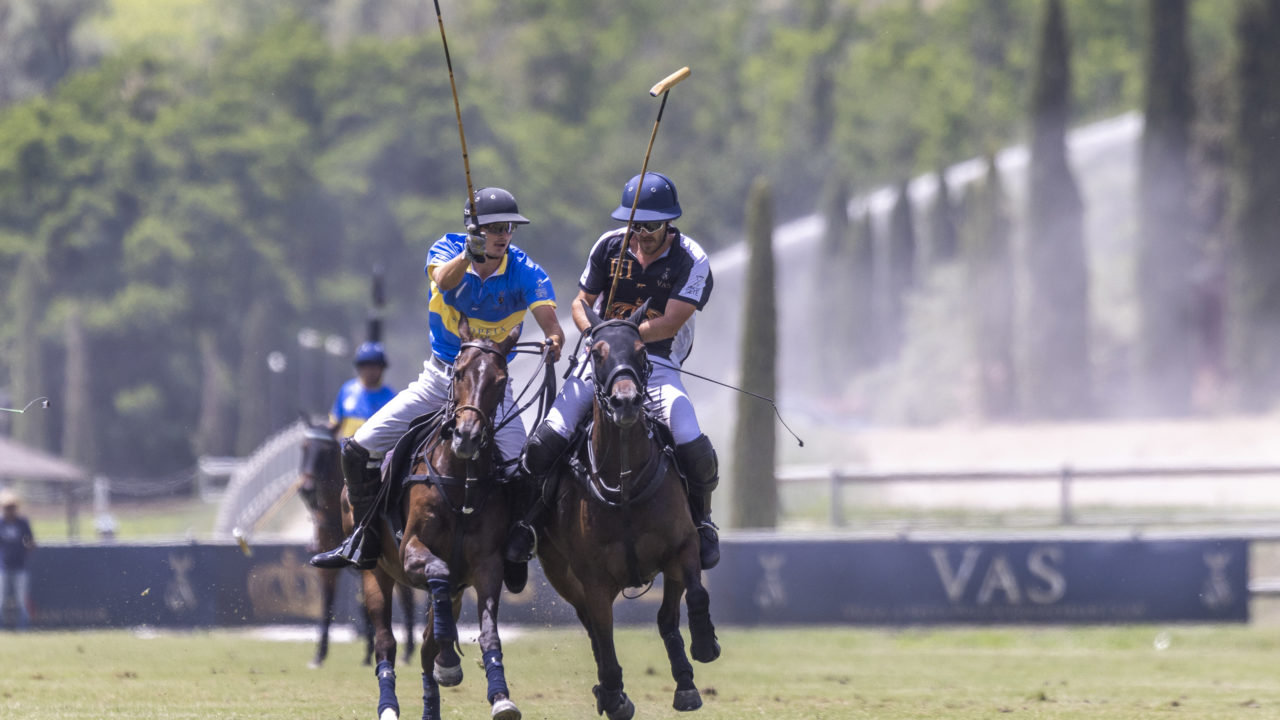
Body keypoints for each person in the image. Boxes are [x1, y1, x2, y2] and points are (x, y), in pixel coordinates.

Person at [310, 187, 565, 575]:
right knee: (358, 450)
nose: (503, 235)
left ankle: (515, 548)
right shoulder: (446, 251)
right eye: (494, 228)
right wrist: (468, 252)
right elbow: (445, 283)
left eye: (508, 228)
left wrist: (553, 340)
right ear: (474, 227)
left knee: (523, 469)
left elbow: (550, 321)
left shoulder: (525, 271)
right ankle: (364, 538)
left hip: (491, 390)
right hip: (439, 379)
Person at [504, 171, 720, 571]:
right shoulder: (609, 246)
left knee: (690, 437)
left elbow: (671, 323)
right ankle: (528, 523)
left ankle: (702, 522)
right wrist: (599, 336)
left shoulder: (692, 259)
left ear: (669, 223)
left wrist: (621, 336)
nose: (642, 234)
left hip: (655, 363)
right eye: (635, 225)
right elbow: (578, 303)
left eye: (652, 226)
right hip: (601, 359)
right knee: (546, 439)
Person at [330, 341, 397, 440]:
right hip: (345, 453)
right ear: (359, 368)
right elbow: (334, 423)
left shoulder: (391, 397)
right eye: (366, 366)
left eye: (375, 366)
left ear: (382, 369)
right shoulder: (347, 390)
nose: (370, 371)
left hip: (375, 454)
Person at [0, 489, 36, 630]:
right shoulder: (1, 523)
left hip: (20, 567)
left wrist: (26, 550)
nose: (10, 510)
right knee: (1, 599)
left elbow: (31, 541)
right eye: (7, 507)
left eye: (12, 507)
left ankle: (23, 627)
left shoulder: (22, 522)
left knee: (22, 599)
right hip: (2, 567)